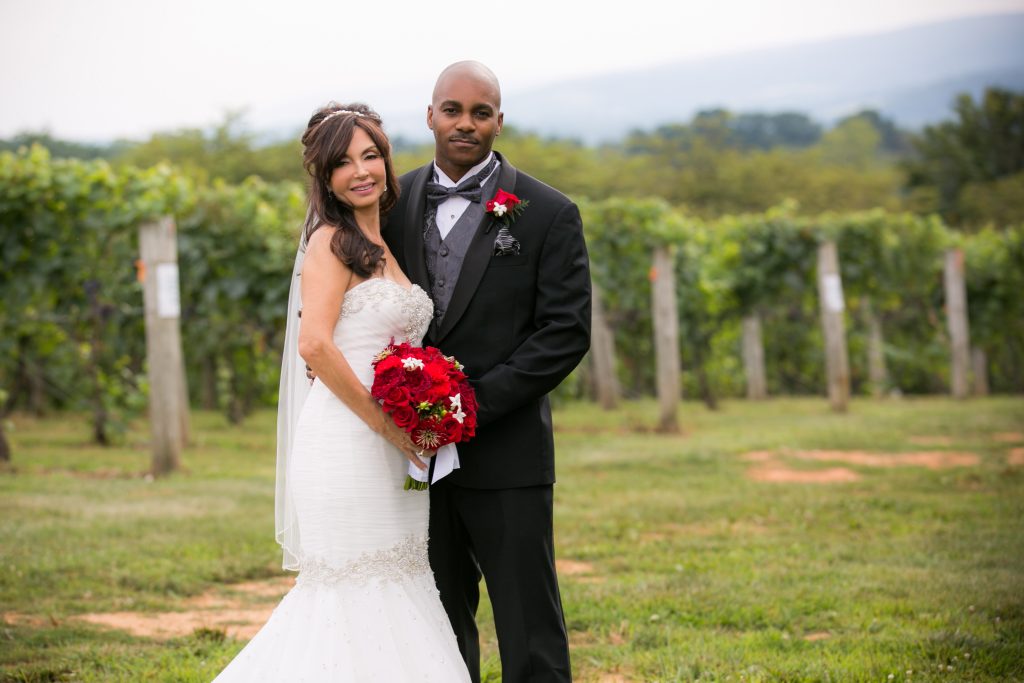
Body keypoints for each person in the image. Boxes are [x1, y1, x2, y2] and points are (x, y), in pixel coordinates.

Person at [212, 103, 471, 682]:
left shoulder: (384, 245)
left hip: (398, 447)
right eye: (344, 162)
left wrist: (425, 404)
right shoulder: (331, 241)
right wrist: (388, 424)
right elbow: (315, 347)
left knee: (401, 580)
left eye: (371, 155)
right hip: (348, 444)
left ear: (386, 160)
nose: (362, 171)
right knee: (352, 588)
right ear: (324, 177)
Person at [382, 61, 591, 683]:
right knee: (436, 619)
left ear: (499, 120)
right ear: (430, 115)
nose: (465, 123)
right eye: (453, 110)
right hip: (413, 453)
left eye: (481, 112)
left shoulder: (549, 213)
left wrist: (472, 404)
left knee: (528, 621)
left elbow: (565, 332)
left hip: (509, 455)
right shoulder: (391, 205)